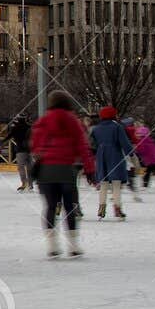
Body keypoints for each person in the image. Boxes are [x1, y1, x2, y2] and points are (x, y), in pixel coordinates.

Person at [30, 93, 93, 258]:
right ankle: (73, 246)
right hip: (66, 169)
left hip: (46, 170)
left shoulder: (42, 121)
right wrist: (90, 169)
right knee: (69, 207)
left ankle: (52, 246)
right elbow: (82, 146)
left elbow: (35, 147)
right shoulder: (73, 121)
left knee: (50, 207)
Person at [88, 107, 134, 219]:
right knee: (116, 183)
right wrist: (131, 153)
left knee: (103, 184)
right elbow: (124, 142)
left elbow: (91, 144)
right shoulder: (117, 127)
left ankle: (101, 209)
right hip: (115, 155)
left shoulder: (96, 128)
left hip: (101, 156)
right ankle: (117, 209)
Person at [131, 120, 155, 189]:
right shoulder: (150, 140)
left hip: (149, 159)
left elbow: (141, 150)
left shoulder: (142, 142)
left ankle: (145, 183)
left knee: (148, 171)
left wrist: (136, 150)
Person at [8, 115, 34, 191]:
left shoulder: (16, 128)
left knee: (21, 167)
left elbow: (9, 136)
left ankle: (24, 183)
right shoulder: (29, 127)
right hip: (30, 149)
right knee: (29, 168)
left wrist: (1, 142)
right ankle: (30, 185)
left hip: (20, 150)